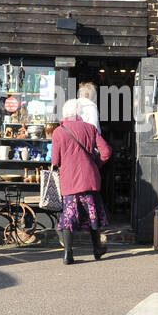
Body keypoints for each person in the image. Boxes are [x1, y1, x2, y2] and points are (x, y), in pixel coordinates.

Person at [51, 99, 112, 264]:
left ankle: (67, 254)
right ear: (78, 113)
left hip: (69, 182)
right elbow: (106, 152)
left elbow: (55, 160)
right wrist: (95, 164)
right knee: (93, 214)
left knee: (68, 216)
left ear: (65, 113)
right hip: (89, 179)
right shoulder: (90, 128)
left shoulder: (58, 132)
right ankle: (97, 249)